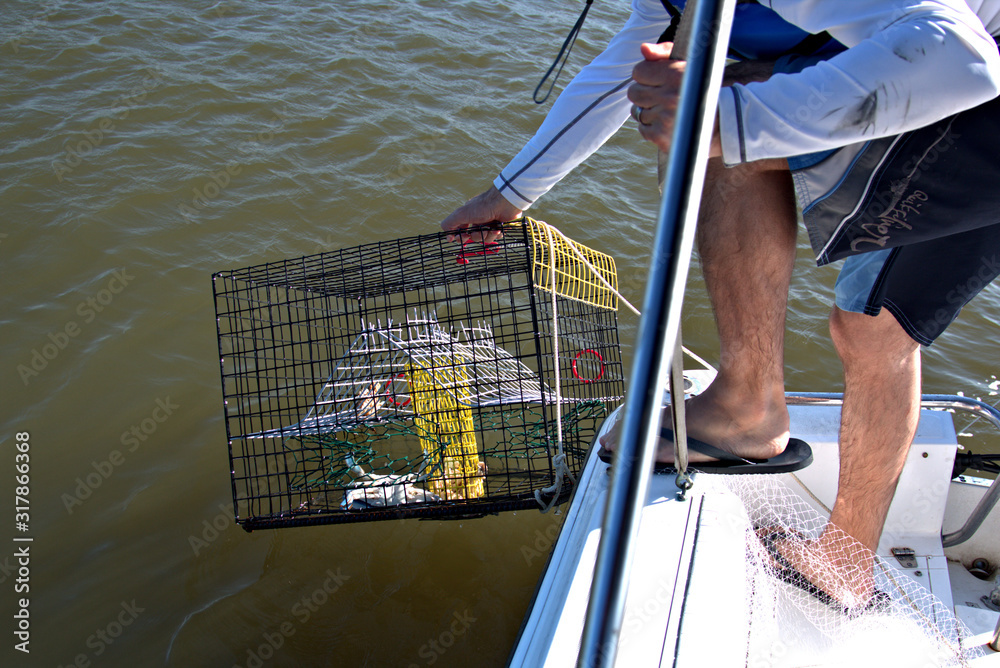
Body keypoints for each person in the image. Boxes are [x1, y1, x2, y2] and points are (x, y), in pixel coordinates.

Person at [442, 0, 1000, 608]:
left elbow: (961, 56)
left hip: (974, 90)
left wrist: (731, 120)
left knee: (719, 100)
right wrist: (509, 193)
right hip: (924, 75)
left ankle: (747, 409)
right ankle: (838, 556)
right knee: (872, 329)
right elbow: (634, 57)